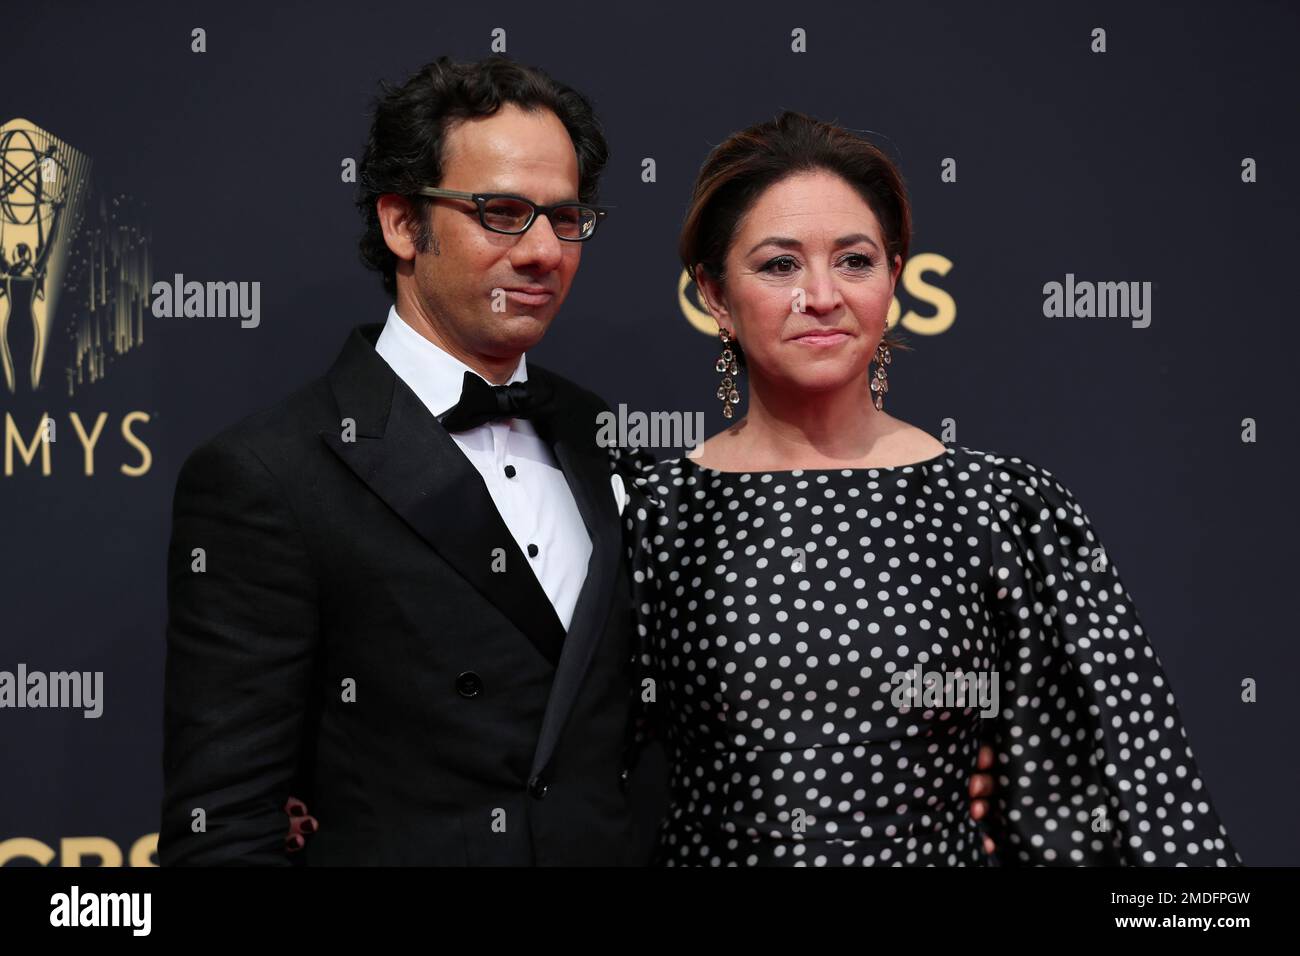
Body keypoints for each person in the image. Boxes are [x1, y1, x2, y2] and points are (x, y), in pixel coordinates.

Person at [160, 55, 996, 866]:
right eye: (500, 212)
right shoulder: (269, 475)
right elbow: (226, 826)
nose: (542, 252)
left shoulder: (612, 445)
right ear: (402, 222)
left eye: (565, 218)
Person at [610, 110, 1242, 866]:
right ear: (715, 294)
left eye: (855, 260)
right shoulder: (654, 515)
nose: (821, 294)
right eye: (779, 265)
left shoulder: (1002, 507)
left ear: (894, 278)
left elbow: (1134, 775)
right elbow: (585, 775)